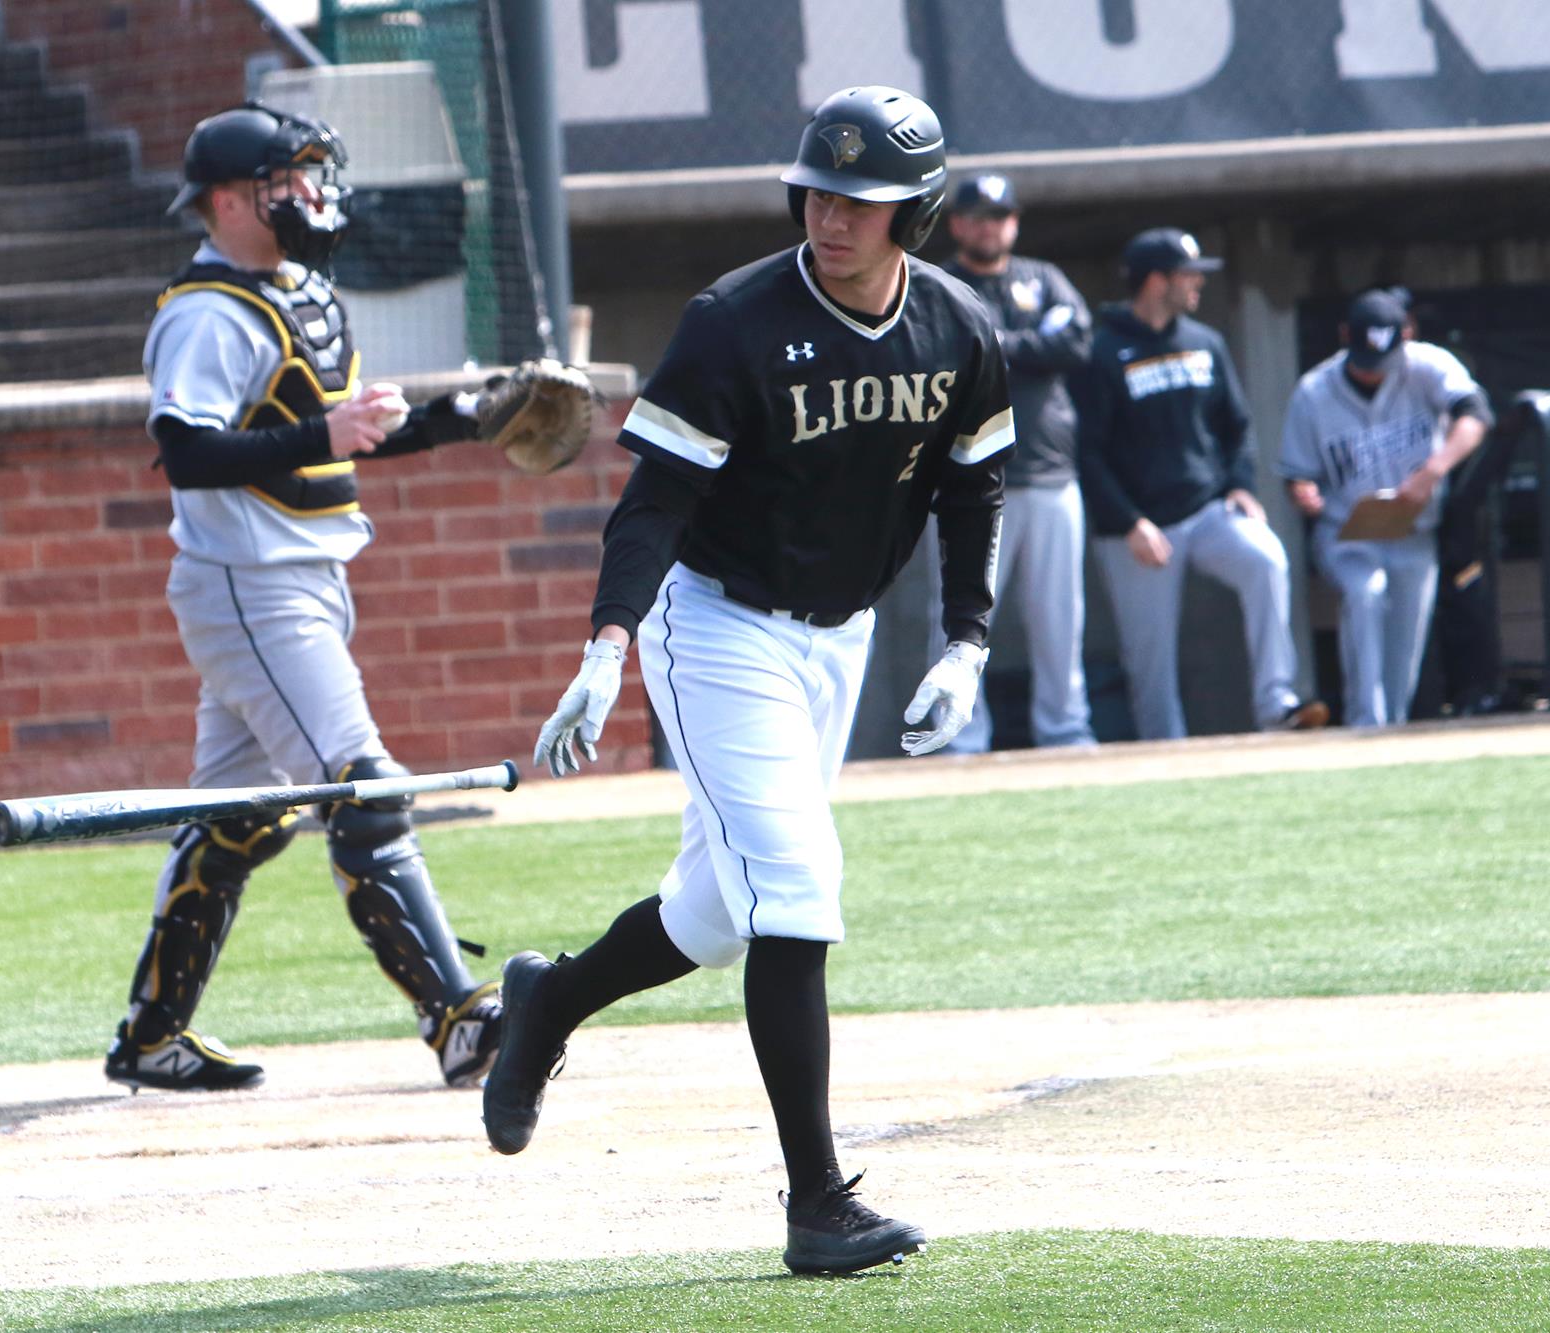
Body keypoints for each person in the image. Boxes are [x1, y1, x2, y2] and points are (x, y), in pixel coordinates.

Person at [479, 86, 1014, 1276]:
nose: (831, 216)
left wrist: (967, 640)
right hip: (711, 625)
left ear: (913, 214)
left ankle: (547, 1002)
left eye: (862, 201)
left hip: (839, 635)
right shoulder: (731, 321)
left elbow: (973, 487)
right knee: (796, 884)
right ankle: (817, 1204)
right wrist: (605, 646)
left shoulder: (960, 328)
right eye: (818, 191)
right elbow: (654, 501)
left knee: (718, 914)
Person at [104, 102, 502, 1093]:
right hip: (252, 585)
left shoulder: (299, 291)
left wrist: (461, 418)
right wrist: (323, 437)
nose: (314, 197)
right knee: (362, 787)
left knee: (240, 817)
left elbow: (348, 427)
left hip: (302, 580)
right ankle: (457, 1017)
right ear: (232, 200)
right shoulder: (206, 311)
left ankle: (150, 1036)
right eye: (292, 181)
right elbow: (186, 452)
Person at [1072, 227, 1328, 740]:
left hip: (1207, 510)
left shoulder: (1204, 342)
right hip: (1137, 527)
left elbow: (1237, 427)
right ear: (1154, 281)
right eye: (1188, 275)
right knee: (1150, 660)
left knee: (1265, 558)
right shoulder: (1102, 351)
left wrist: (1239, 484)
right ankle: (1167, 755)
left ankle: (1277, 703)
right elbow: (1087, 453)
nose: (1198, 285)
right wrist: (1129, 522)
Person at [918, 172, 1095, 751]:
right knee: (958, 618)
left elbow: (1074, 343)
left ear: (1014, 222)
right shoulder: (940, 283)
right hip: (968, 480)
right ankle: (956, 737)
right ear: (958, 223)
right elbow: (947, 355)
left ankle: (1066, 730)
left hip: (1049, 473)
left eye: (1001, 216)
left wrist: (997, 343)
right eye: (979, 216)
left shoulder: (1044, 278)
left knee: (1059, 621)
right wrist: (1021, 344)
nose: (990, 226)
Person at [1278, 288, 1492, 726]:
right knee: (1365, 593)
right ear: (1345, 337)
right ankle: (1364, 724)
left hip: (1414, 530)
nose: (1375, 371)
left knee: (1404, 649)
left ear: (1406, 334)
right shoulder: (1314, 391)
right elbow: (1296, 473)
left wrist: (1433, 471)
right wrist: (1304, 492)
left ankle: (1388, 730)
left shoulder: (1428, 366)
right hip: (1347, 535)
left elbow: (1476, 417)